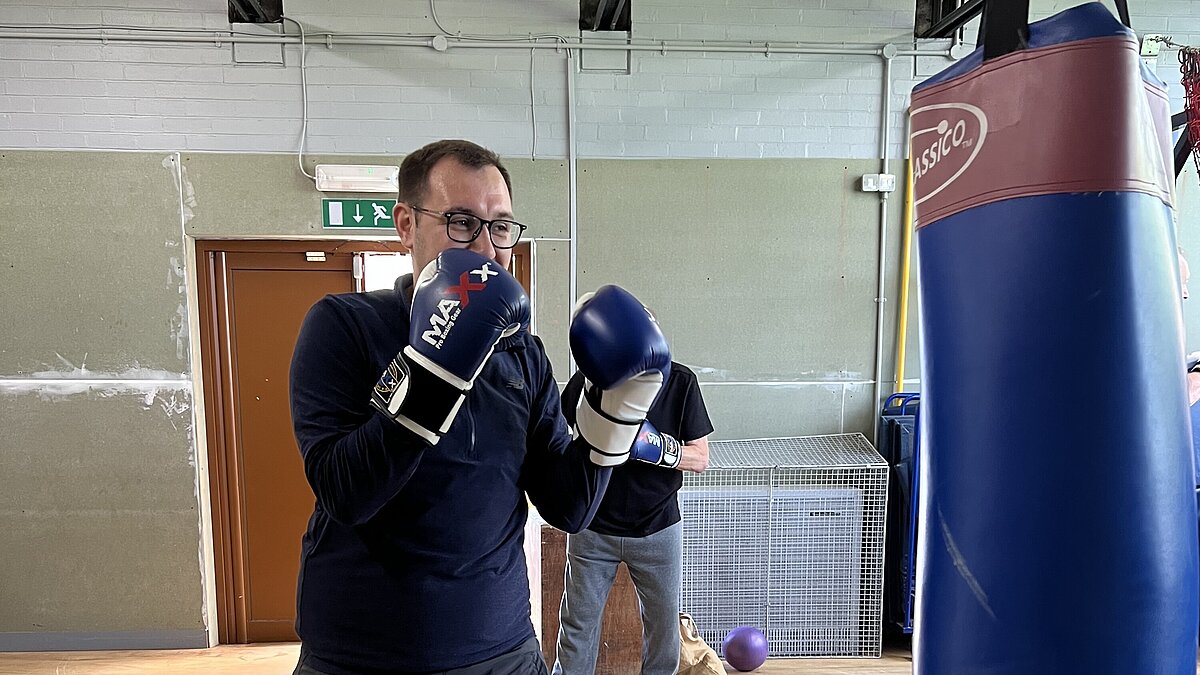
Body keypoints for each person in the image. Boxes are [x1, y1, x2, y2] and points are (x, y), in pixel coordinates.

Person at [288, 139, 671, 675]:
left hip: (501, 649)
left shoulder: (522, 352)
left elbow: (568, 507)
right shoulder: (344, 325)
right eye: (462, 222)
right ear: (406, 224)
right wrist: (434, 364)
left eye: (500, 226)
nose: (488, 249)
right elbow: (345, 492)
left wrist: (616, 414)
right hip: (363, 655)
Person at [553, 360, 714, 675]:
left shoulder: (680, 382)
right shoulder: (592, 378)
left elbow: (700, 458)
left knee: (663, 629)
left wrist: (660, 449)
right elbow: (555, 436)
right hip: (593, 527)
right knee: (577, 625)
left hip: (658, 526)